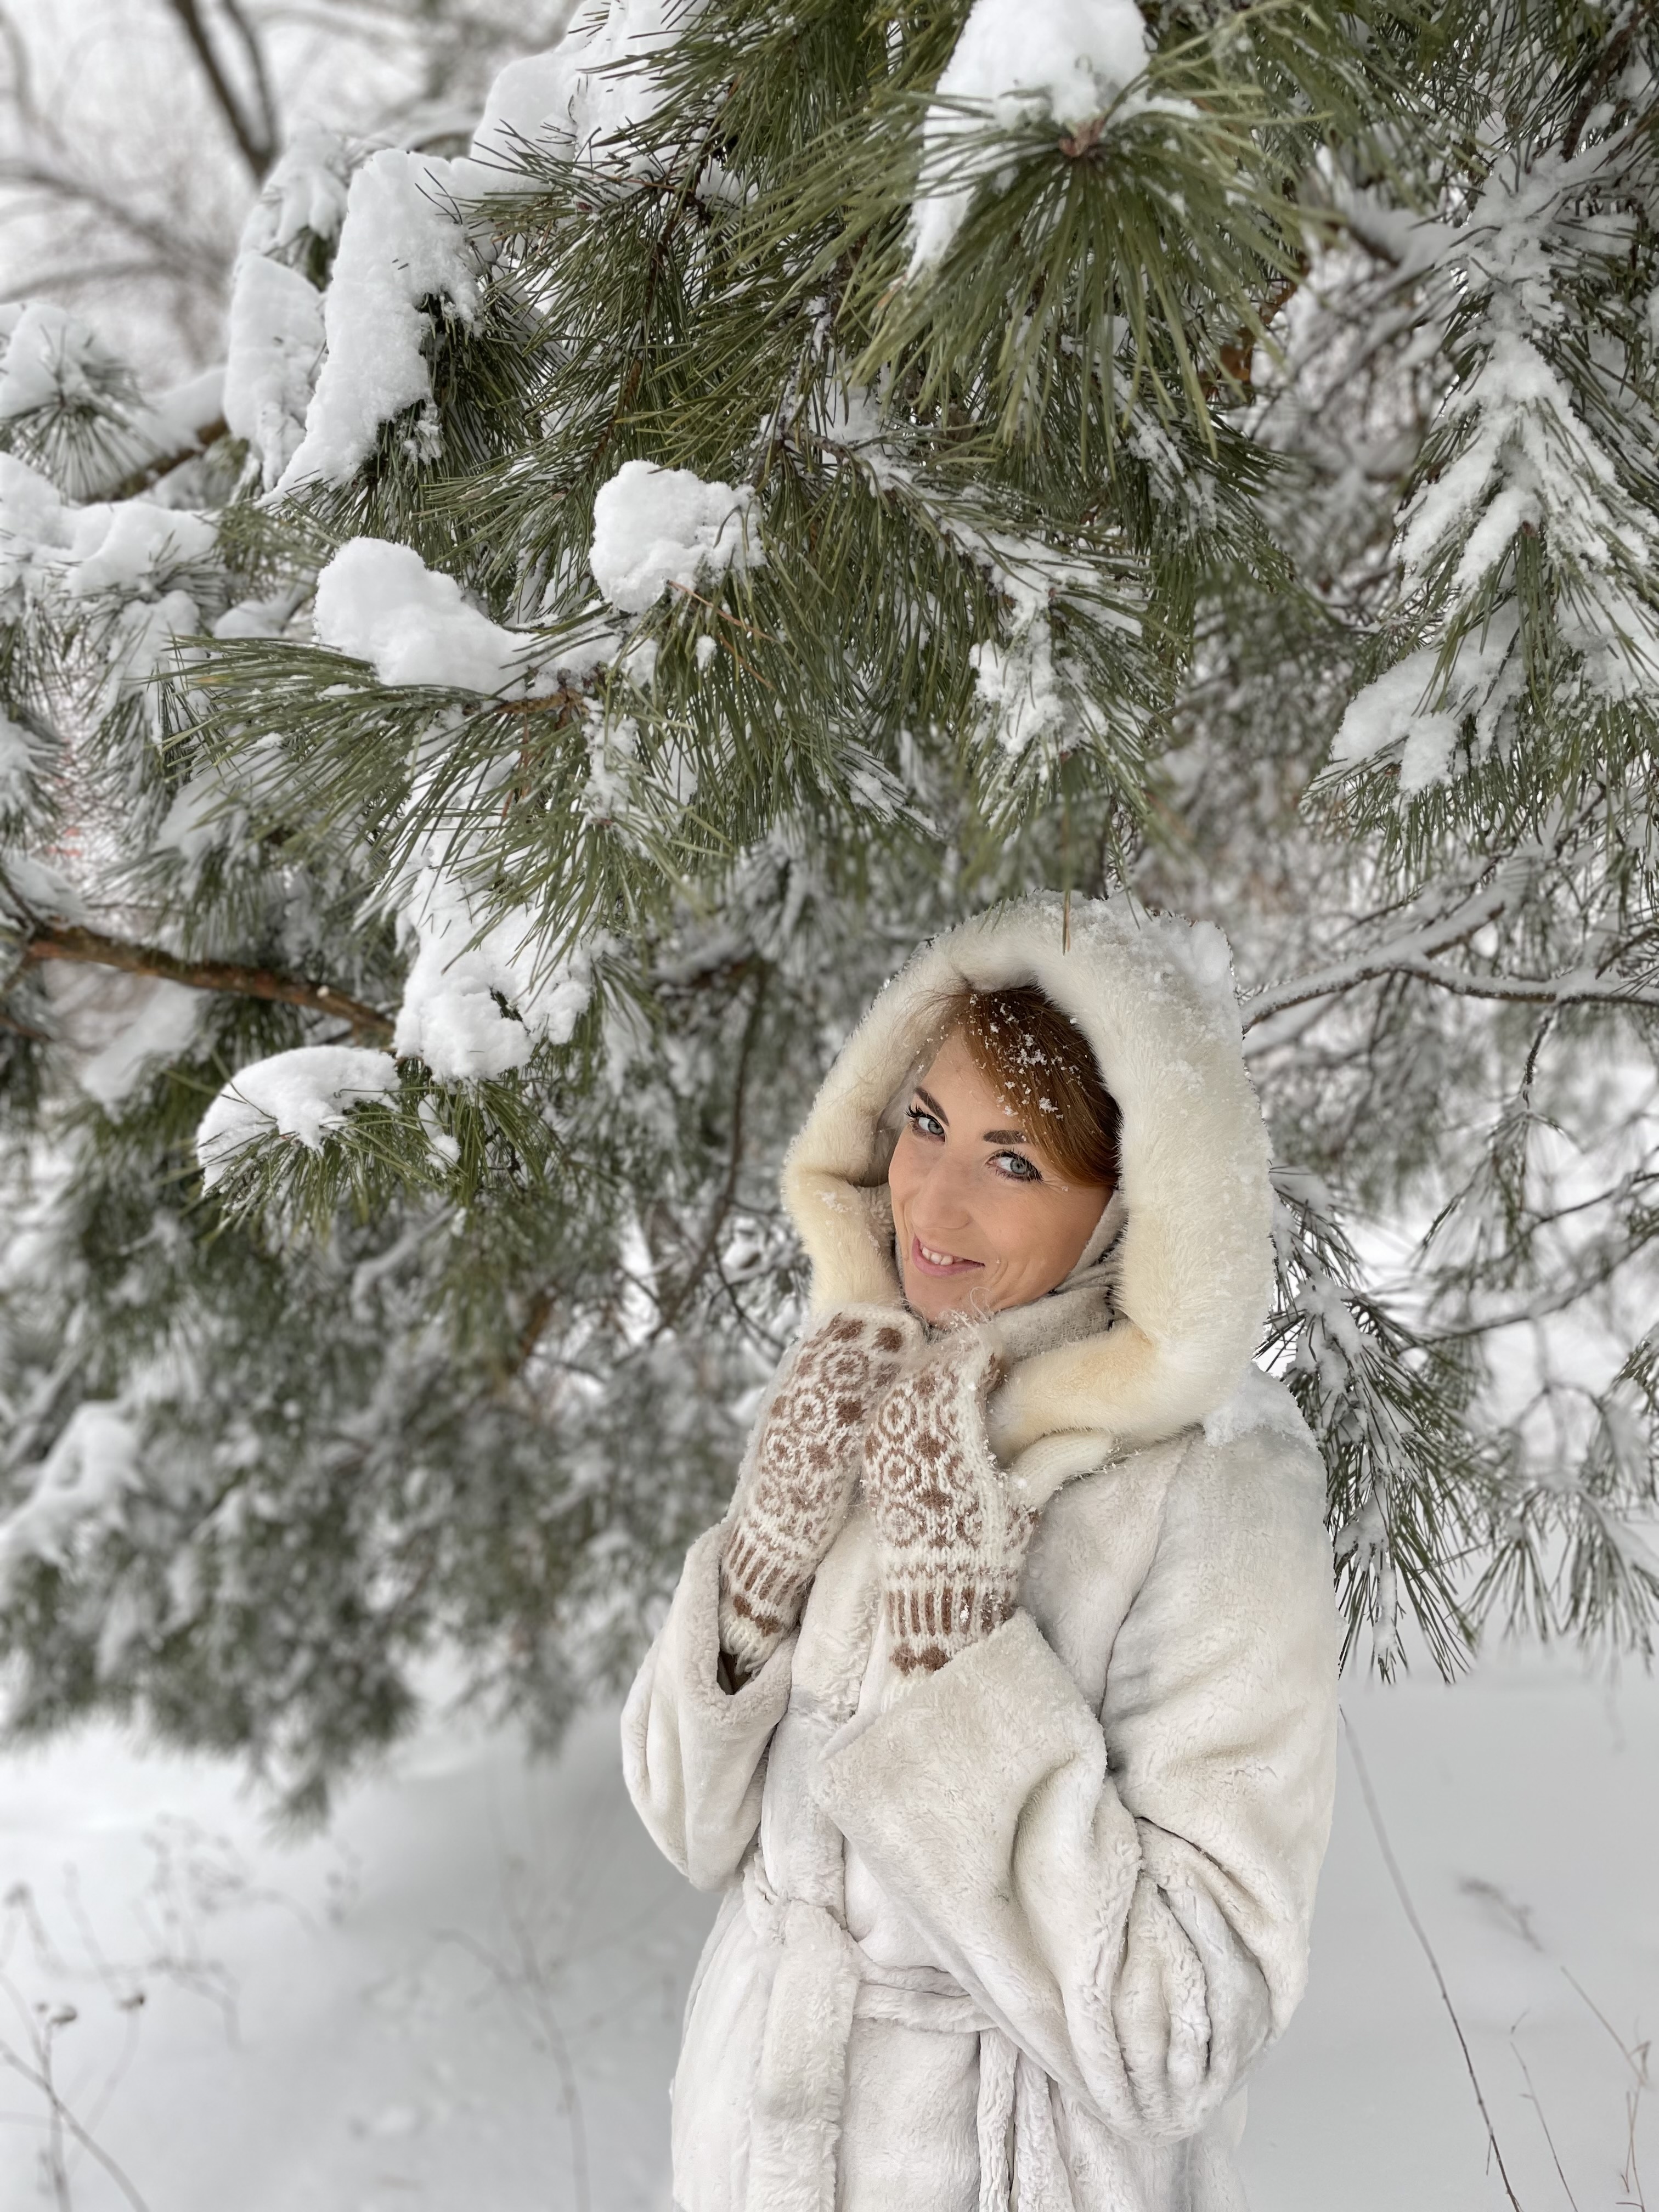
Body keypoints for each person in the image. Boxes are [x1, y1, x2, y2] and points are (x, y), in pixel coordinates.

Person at [623, 892, 1339, 2212]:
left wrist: (961, 1654)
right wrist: (760, 1576)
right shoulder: (868, 1376)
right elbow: (689, 1827)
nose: (934, 1202)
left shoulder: (1213, 1485)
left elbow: (1180, 2030)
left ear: (1134, 1205)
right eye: (926, 1126)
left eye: (1016, 1163)